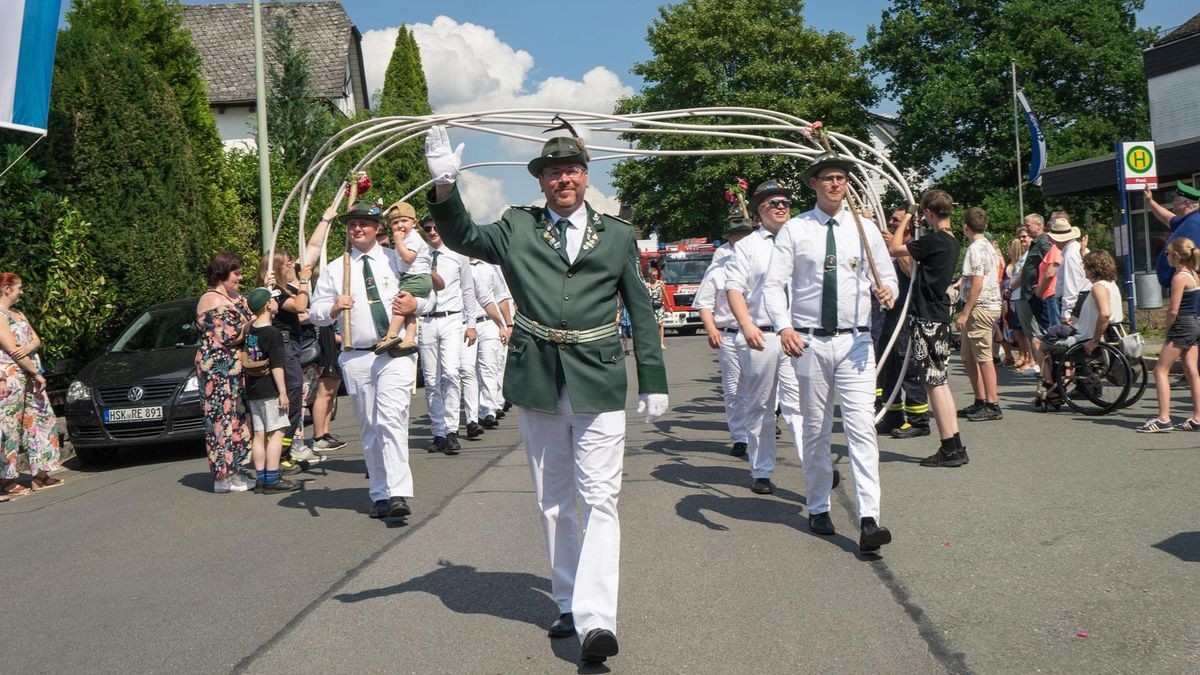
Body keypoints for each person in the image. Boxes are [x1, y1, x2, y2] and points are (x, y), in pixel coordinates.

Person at [424, 125, 668, 665]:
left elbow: (639, 308)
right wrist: (444, 187)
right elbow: (465, 237)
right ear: (541, 181)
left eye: (572, 170)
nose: (563, 179)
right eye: (553, 172)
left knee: (600, 497)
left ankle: (597, 619)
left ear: (586, 177)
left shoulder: (617, 235)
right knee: (553, 498)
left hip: (598, 377)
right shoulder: (518, 226)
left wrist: (653, 377)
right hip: (537, 377)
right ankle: (567, 600)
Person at [764, 152, 897, 552]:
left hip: (855, 341)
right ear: (814, 184)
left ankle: (870, 518)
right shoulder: (797, 229)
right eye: (828, 178)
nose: (836, 184)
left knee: (862, 427)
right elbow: (773, 285)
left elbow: (886, 275)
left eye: (841, 178)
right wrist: (784, 326)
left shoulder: (864, 228)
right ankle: (819, 504)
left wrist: (887, 290)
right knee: (816, 427)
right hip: (810, 342)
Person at [309, 199, 435, 520]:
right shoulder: (336, 269)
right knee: (370, 425)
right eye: (352, 224)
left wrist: (416, 306)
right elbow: (315, 312)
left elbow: (427, 295)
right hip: (357, 355)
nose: (357, 229)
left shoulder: (397, 259)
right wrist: (334, 307)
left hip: (395, 352)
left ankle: (398, 492)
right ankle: (380, 492)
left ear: (377, 228)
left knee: (392, 419)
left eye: (364, 223)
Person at [725, 180, 810, 495]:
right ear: (760, 211)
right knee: (761, 405)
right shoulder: (748, 246)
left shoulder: (802, 240)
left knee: (799, 405)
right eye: (774, 203)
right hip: (762, 335)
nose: (782, 207)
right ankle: (761, 470)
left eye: (785, 202)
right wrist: (746, 325)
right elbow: (734, 288)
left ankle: (814, 467)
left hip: (798, 334)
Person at [885, 189, 966, 467]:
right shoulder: (952, 241)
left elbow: (895, 248)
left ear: (929, 213)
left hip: (927, 318)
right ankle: (954, 444)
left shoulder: (934, 241)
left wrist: (908, 217)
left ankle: (949, 447)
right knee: (940, 382)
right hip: (939, 316)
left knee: (933, 384)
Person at [695, 205, 755, 457]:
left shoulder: (763, 265)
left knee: (759, 386)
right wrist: (711, 329)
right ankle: (740, 436)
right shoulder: (718, 268)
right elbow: (704, 303)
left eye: (746, 237)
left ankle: (760, 432)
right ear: (730, 241)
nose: (742, 242)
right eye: (737, 238)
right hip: (729, 334)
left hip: (759, 334)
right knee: (733, 389)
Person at [195, 253, 256, 493]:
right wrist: (254, 321)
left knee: (237, 417)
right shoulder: (211, 299)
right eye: (236, 274)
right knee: (221, 419)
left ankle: (235, 470)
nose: (240, 278)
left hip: (235, 367)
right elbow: (229, 336)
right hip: (217, 369)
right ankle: (222, 477)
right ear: (222, 273)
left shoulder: (235, 297)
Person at [1034, 250, 1124, 409]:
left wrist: (1095, 340)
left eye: (1086, 267)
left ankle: (1050, 386)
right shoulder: (1112, 285)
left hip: (1084, 339)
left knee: (1037, 342)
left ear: (1093, 268)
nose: (1084, 271)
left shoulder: (1098, 287)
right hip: (1106, 334)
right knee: (1056, 332)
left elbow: (1105, 314)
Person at [419, 217, 478, 455]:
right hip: (426, 320)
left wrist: (471, 324)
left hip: (452, 318)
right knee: (431, 379)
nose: (432, 232)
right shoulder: (419, 255)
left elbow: (468, 290)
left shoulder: (457, 254)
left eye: (436, 227)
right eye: (427, 229)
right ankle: (438, 432)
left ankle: (452, 430)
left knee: (451, 373)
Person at [0, 273, 63, 497]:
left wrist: (28, 347)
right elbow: (11, 349)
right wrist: (36, 372)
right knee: (9, 428)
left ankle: (41, 474)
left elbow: (36, 340)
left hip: (30, 376)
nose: (22, 292)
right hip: (12, 378)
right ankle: (6, 480)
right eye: (19, 288)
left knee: (41, 419)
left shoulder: (18, 313)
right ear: (7, 289)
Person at [259, 250, 320, 469]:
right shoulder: (274, 290)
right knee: (292, 396)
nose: (292, 266)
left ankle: (284, 452)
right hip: (284, 346)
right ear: (277, 267)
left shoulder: (283, 288)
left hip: (292, 344)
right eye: (287, 264)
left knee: (294, 398)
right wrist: (303, 280)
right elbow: (300, 306)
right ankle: (281, 456)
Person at [874, 209, 930, 440]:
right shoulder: (889, 247)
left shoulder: (914, 246)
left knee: (907, 366)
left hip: (907, 314)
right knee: (888, 365)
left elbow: (911, 271)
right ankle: (893, 414)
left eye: (896, 221)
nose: (891, 223)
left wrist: (894, 249)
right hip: (889, 313)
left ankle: (918, 419)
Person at [243, 287, 302, 493]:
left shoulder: (250, 330)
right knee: (277, 432)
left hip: (254, 388)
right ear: (268, 305)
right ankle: (273, 478)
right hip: (270, 389)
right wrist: (283, 392)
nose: (277, 302)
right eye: (274, 300)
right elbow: (277, 365)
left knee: (259, 434)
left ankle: (261, 479)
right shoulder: (273, 333)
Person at [1138, 238, 1200, 432]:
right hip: (1195, 322)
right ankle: (1198, 417)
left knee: (1160, 370)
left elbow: (1173, 309)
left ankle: (1163, 418)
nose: (1165, 257)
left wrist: (1167, 328)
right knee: (1191, 370)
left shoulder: (1179, 277)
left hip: (1182, 325)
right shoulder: (1193, 274)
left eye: (1167, 254)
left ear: (1176, 256)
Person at [955, 207, 1003, 421]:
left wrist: (965, 312)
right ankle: (980, 399)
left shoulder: (975, 249)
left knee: (983, 357)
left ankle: (992, 404)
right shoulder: (989, 247)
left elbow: (977, 282)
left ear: (966, 227)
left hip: (981, 306)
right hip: (987, 304)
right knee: (968, 356)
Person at [374, 201, 436, 356]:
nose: (400, 225)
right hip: (414, 277)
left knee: (400, 305)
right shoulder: (407, 238)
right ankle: (409, 339)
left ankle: (392, 334)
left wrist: (398, 241)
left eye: (404, 221)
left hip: (416, 277)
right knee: (409, 311)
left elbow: (408, 258)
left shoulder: (413, 238)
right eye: (395, 222)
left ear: (414, 223)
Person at [460, 256, 508, 439]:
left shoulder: (490, 267)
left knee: (488, 365)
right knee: (468, 369)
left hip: (488, 321)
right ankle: (473, 415)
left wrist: (504, 324)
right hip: (464, 324)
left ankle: (488, 411)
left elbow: (498, 297)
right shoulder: (458, 262)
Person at [1148, 183, 1200, 290]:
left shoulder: (1193, 224)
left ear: (1185, 203)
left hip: (1185, 288)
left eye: (1175, 199)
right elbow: (1167, 218)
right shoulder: (1187, 220)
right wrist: (1150, 201)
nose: (1173, 202)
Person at [646, 266, 667, 349]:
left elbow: (665, 294)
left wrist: (669, 306)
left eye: (656, 275)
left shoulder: (660, 283)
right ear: (650, 276)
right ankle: (654, 343)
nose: (655, 277)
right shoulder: (646, 285)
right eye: (653, 275)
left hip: (659, 306)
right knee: (653, 325)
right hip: (651, 307)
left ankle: (661, 343)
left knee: (660, 324)